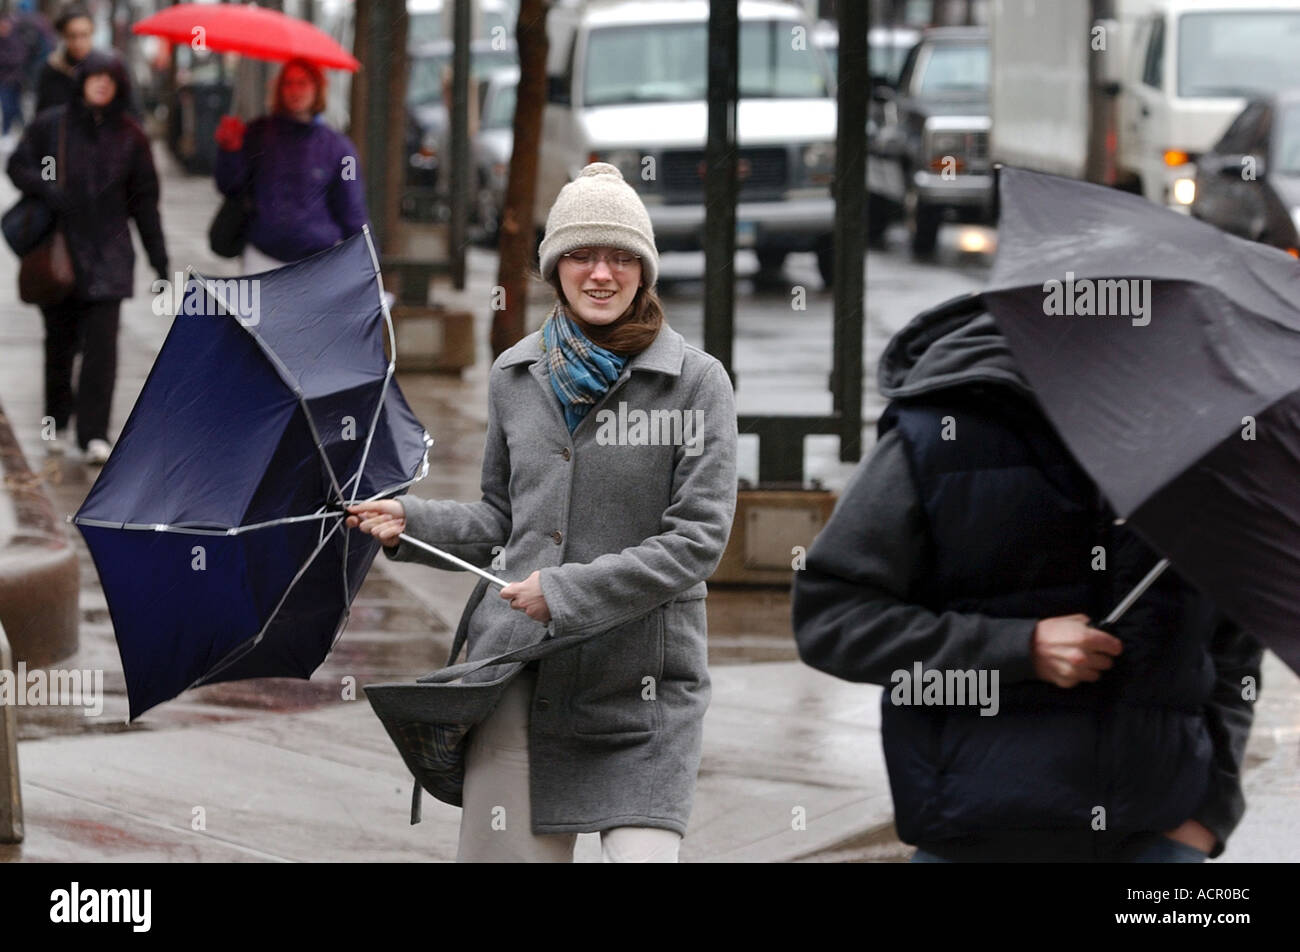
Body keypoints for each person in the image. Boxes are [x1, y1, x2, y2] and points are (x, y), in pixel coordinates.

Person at [346, 163, 739, 863]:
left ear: (643, 270)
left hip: (639, 686)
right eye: (581, 254)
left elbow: (697, 542)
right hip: (520, 675)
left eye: (620, 256)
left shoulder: (696, 384)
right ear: (554, 265)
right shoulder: (514, 375)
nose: (600, 273)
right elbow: (502, 517)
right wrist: (413, 520)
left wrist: (563, 592)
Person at [791, 293, 1263, 863]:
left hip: (1161, 841)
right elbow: (832, 620)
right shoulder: (943, 433)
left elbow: (1235, 653)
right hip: (978, 836)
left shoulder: (1201, 451)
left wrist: (1209, 814)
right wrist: (1019, 649)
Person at [7, 49, 167, 464]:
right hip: (61, 255)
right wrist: (47, 186)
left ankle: (94, 434)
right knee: (60, 344)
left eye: (109, 79)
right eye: (94, 77)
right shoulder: (53, 125)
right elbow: (20, 165)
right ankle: (56, 420)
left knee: (102, 349)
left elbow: (144, 202)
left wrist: (160, 259)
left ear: (119, 86)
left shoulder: (131, 136)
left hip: (110, 256)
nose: (101, 85)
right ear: (82, 82)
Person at [213, 57, 368, 273]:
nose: (295, 90)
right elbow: (229, 186)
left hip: (317, 264)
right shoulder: (257, 134)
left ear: (317, 89)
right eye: (288, 83)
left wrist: (369, 264)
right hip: (262, 258)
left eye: (303, 83)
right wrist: (230, 150)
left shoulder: (340, 149)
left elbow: (352, 210)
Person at [34, 3, 90, 114]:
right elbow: (42, 113)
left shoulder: (103, 69)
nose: (78, 43)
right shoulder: (52, 69)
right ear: (64, 36)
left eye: (84, 35)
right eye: (72, 36)